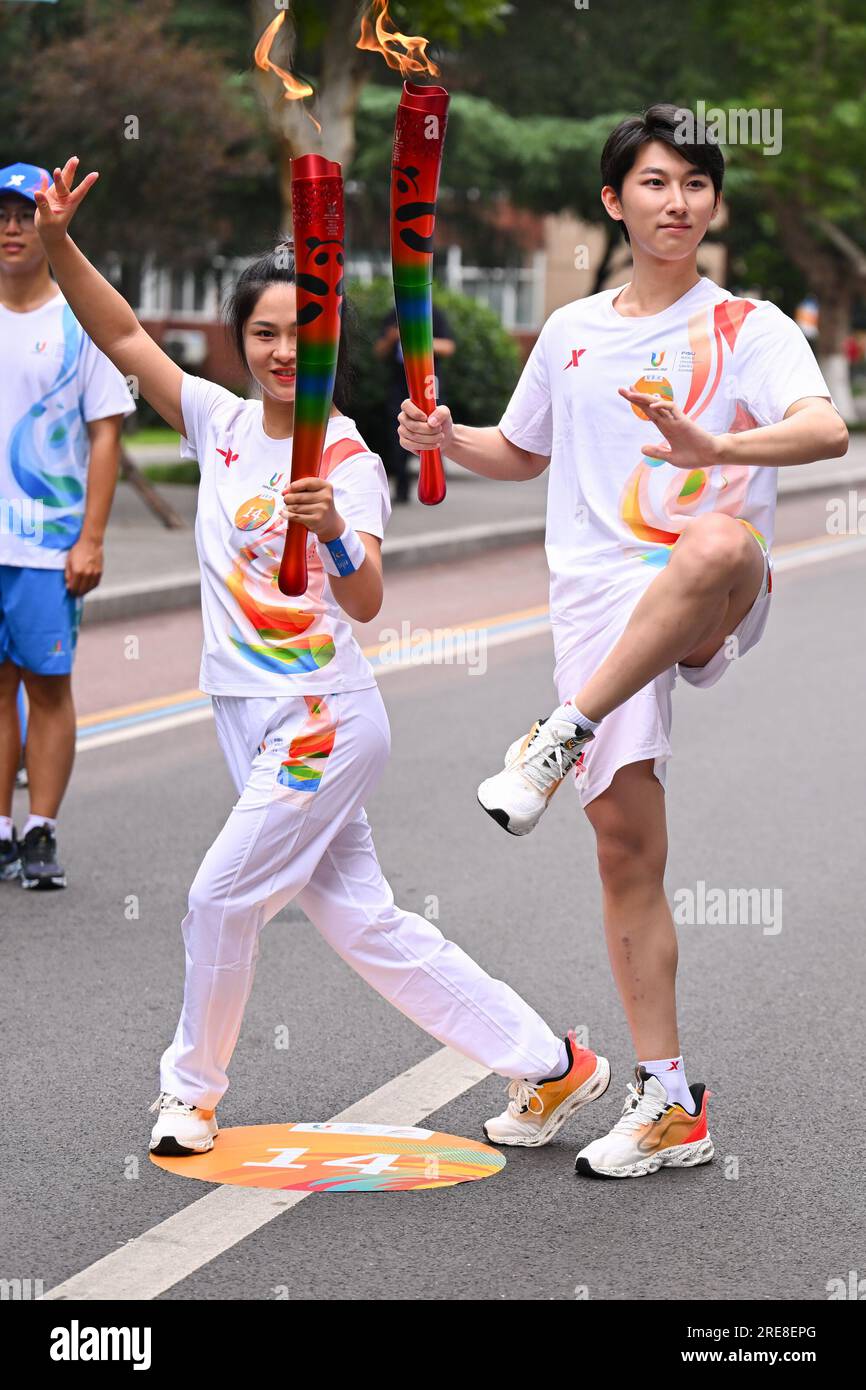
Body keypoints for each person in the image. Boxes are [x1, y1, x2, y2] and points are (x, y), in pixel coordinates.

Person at [34, 156, 613, 1158]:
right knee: (363, 921)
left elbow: (366, 598)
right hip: (241, 705)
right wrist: (55, 244)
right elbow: (121, 330)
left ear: (327, 332)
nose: (276, 349)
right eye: (259, 331)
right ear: (239, 339)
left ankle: (190, 1093)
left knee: (218, 896)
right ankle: (548, 1061)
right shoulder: (215, 423)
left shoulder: (343, 455)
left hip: (320, 715)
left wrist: (335, 533)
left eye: (298, 330)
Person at [399, 104, 848, 1180]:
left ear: (712, 202)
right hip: (598, 604)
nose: (676, 202)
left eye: (694, 183)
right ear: (613, 200)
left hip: (710, 577)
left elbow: (825, 429)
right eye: (654, 183)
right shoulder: (571, 333)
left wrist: (719, 441)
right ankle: (667, 1098)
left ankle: (556, 732)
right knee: (624, 851)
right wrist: (442, 437)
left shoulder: (747, 326)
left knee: (709, 540)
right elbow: (519, 450)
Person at [0, 161, 135, 890]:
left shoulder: (80, 324)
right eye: (3, 214)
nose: (14, 228)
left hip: (47, 543)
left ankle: (40, 830)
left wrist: (91, 537)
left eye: (27, 214)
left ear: (49, 222)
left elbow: (106, 435)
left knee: (47, 685)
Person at [375, 303, 455, 503]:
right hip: (400, 384)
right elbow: (378, 350)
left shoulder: (431, 312)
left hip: (427, 383)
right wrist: (392, 338)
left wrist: (418, 339)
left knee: (434, 429)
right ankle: (402, 488)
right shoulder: (393, 315)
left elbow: (448, 347)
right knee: (399, 434)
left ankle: (435, 482)